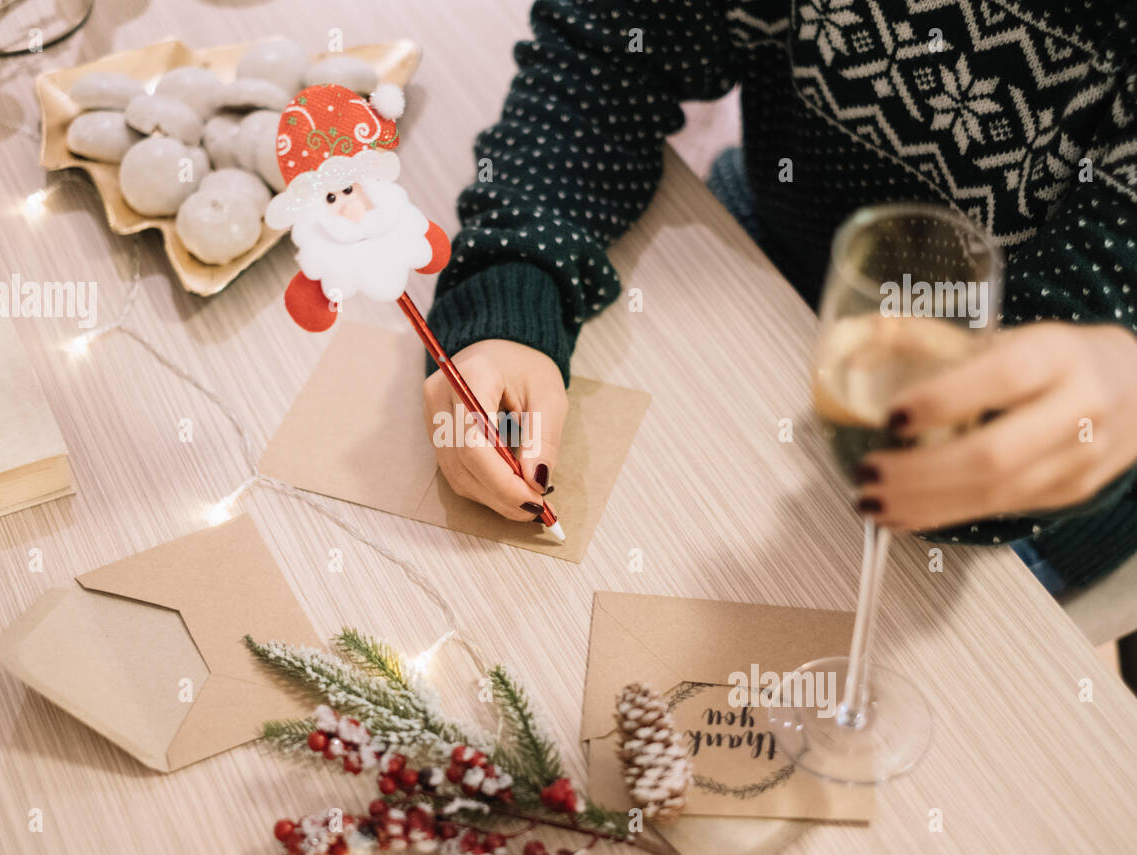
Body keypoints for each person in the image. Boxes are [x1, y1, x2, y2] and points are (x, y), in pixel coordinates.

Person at [421, 0, 1137, 596]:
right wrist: (510, 289)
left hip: (1039, 488)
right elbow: (608, 53)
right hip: (771, 250)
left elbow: (1080, 345)